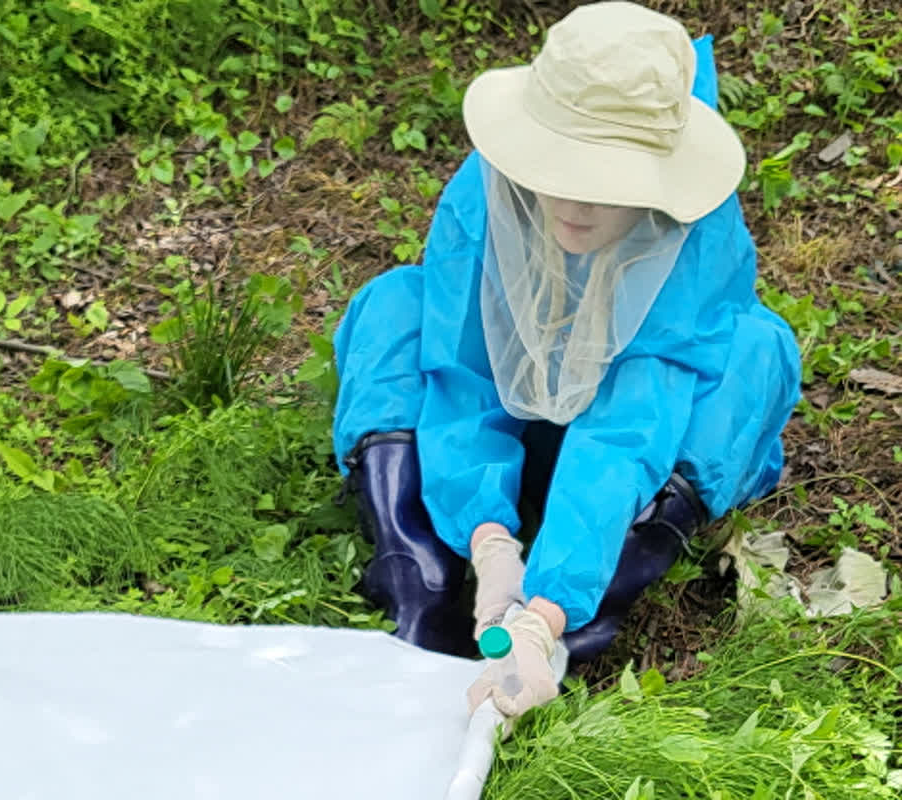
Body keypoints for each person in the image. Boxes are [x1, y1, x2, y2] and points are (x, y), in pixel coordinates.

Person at [331, 1, 802, 721]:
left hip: (629, 455)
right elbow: (458, 369)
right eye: (562, 168)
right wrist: (488, 541)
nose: (575, 204)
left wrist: (544, 612)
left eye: (606, 183)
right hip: (497, 419)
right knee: (396, 303)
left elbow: (630, 425)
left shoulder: (697, 234)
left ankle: (591, 609)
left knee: (753, 352)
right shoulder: (482, 193)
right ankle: (415, 569)